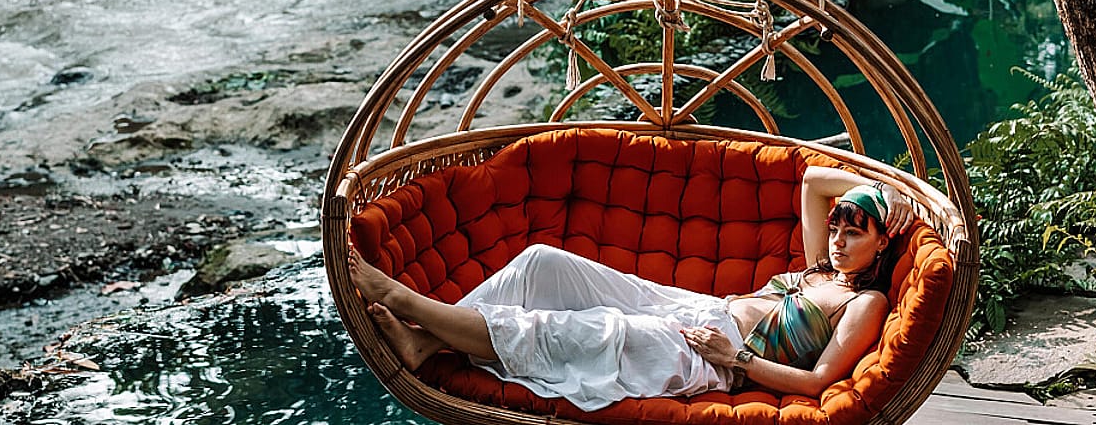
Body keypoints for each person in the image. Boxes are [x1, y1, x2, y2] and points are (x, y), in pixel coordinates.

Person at [348, 165, 915, 411]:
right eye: (836, 226)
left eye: (854, 231)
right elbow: (815, 182)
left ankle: (404, 301)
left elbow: (820, 380)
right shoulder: (822, 267)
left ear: (882, 242)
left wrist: (735, 357)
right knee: (545, 263)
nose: (837, 238)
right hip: (701, 309)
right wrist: (890, 196)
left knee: (581, 330)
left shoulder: (867, 301)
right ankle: (426, 343)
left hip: (713, 358)